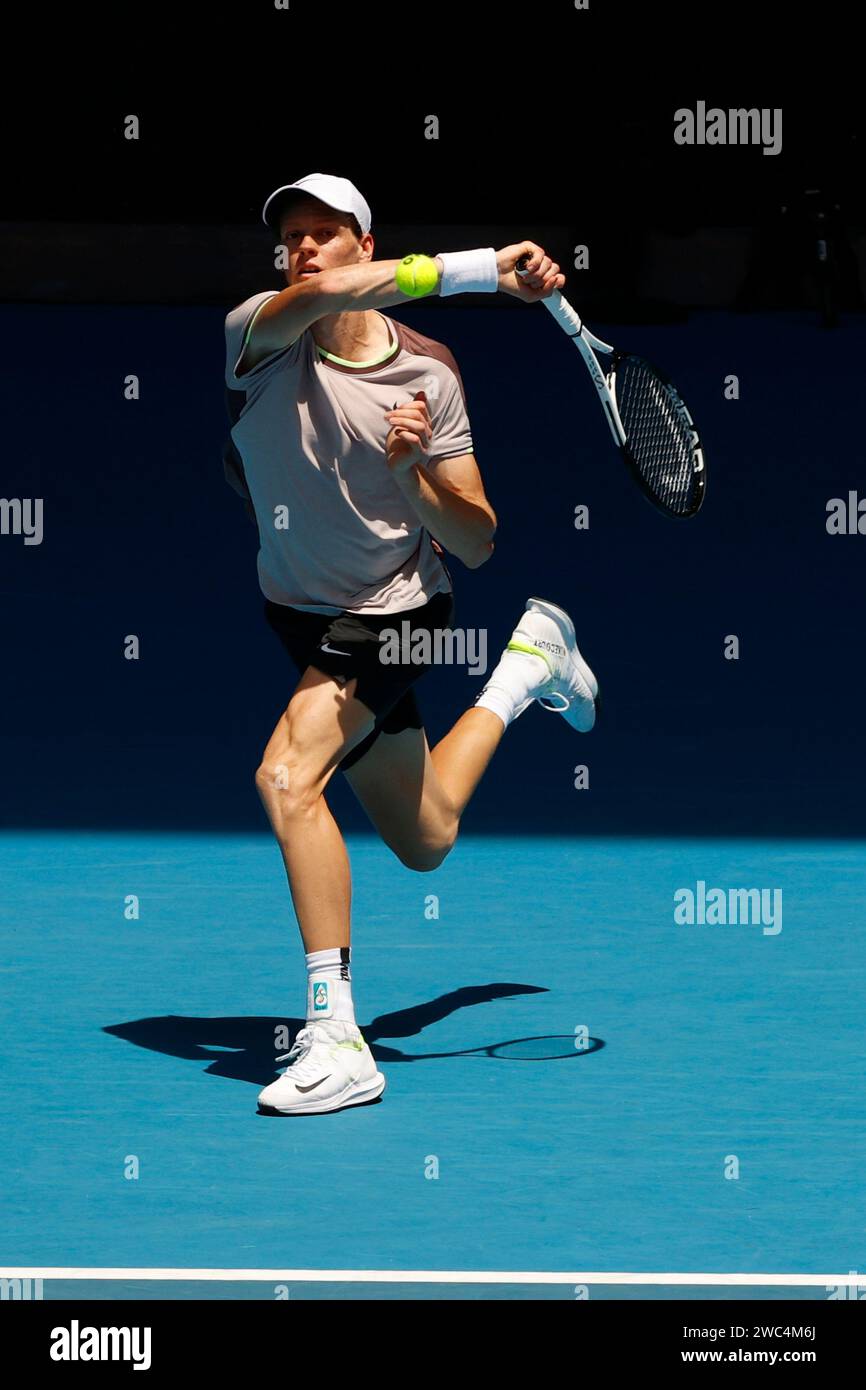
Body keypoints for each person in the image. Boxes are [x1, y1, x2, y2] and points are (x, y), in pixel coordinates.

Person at [222, 173, 598, 1116]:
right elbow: (320, 302)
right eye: (290, 237)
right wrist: (477, 270)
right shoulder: (257, 335)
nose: (302, 250)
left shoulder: (428, 371)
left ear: (368, 240)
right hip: (299, 616)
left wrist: (413, 476)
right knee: (426, 838)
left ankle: (338, 1038)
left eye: (325, 233)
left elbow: (475, 539)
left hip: (397, 616)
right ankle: (528, 666)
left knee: (287, 777)